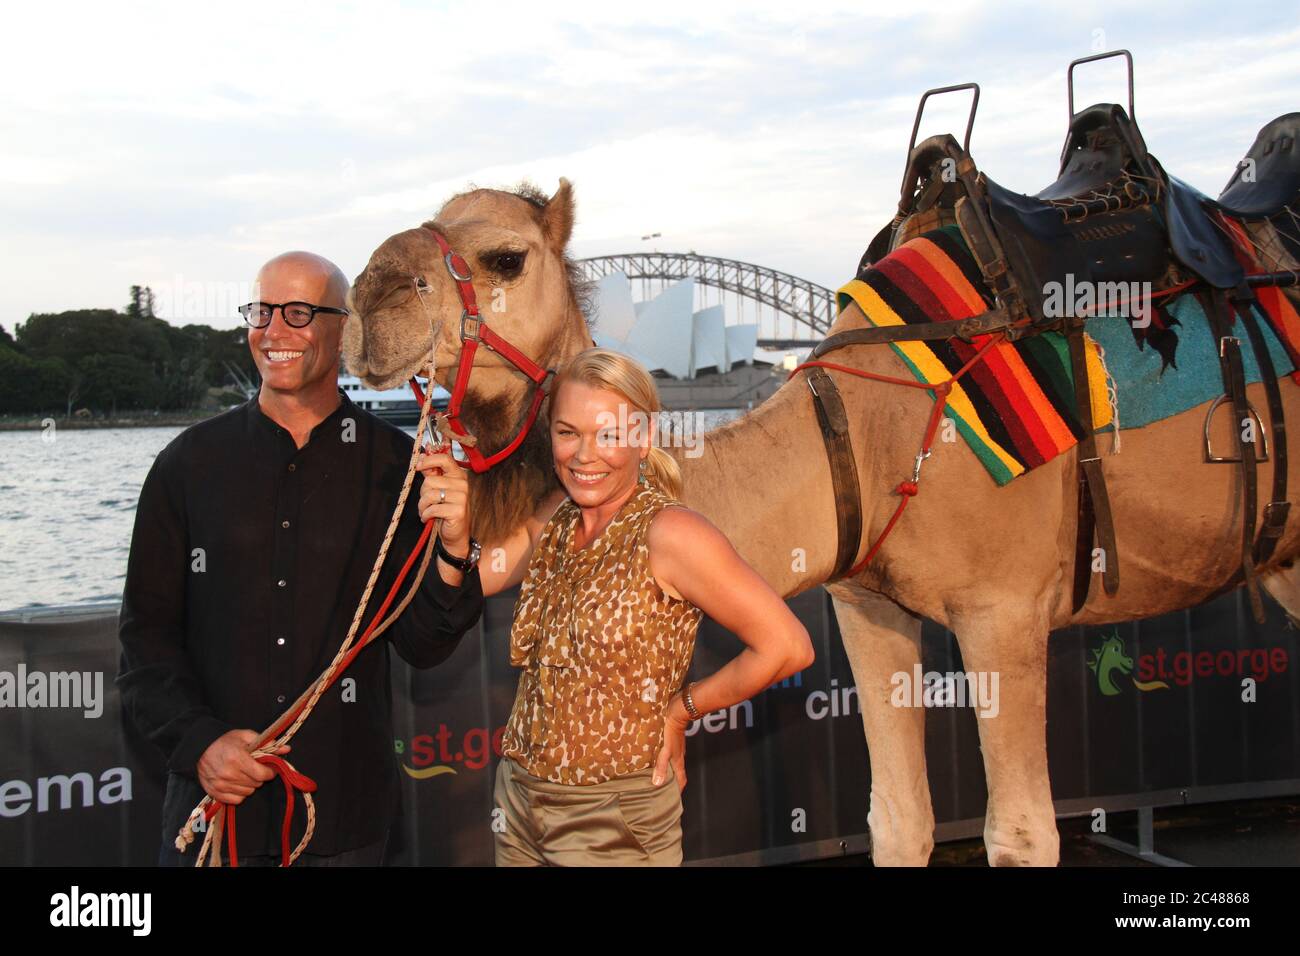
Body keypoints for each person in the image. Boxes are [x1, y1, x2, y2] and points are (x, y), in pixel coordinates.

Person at [118, 251, 484, 867]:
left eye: (298, 313)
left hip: (343, 822)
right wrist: (200, 743)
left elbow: (423, 644)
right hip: (211, 821)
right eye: (262, 311)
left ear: (343, 329)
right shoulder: (186, 465)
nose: (274, 331)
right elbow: (144, 640)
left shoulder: (398, 468)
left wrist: (454, 547)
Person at [417, 347, 813, 866]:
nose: (584, 456)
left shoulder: (672, 533)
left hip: (615, 818)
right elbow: (478, 574)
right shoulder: (557, 514)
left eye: (608, 434)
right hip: (519, 800)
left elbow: (787, 647)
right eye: (567, 433)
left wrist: (682, 710)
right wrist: (456, 530)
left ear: (644, 438)